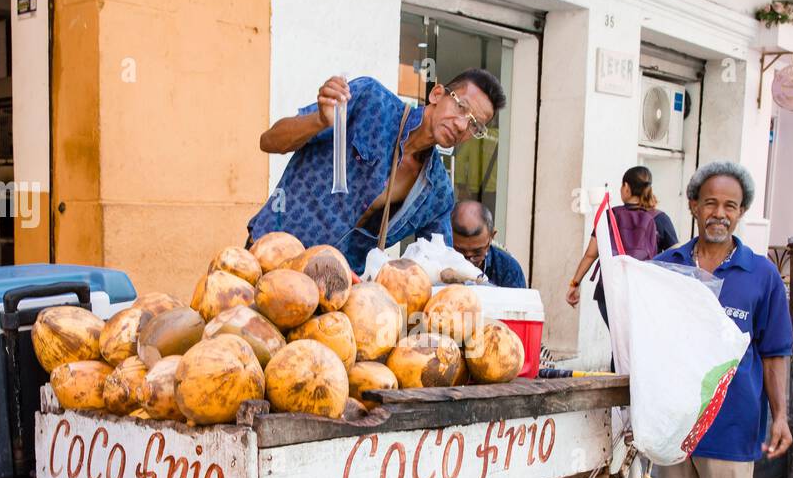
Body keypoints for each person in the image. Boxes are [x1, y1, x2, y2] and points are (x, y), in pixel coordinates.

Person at [653, 160, 793, 478]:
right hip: (676, 424)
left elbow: (775, 352)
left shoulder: (761, 275)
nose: (719, 212)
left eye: (730, 205)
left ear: (741, 213)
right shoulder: (667, 267)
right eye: (710, 202)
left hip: (733, 426)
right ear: (692, 205)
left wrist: (780, 416)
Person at [247, 70, 506, 272]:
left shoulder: (437, 192)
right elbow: (269, 141)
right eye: (461, 107)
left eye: (475, 125)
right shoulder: (370, 102)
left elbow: (440, 263)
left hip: (331, 296)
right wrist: (319, 121)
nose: (462, 125)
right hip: (269, 259)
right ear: (437, 94)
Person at [566, 166, 677, 326]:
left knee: (618, 344)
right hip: (643, 294)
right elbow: (675, 256)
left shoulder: (609, 217)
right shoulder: (660, 219)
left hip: (609, 292)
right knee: (637, 344)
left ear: (626, 187)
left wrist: (574, 284)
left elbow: (591, 254)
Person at [450, 200, 527, 287]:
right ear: (448, 236)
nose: (469, 262)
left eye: (477, 252)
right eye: (460, 251)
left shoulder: (507, 268)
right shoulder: (437, 262)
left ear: (491, 236)